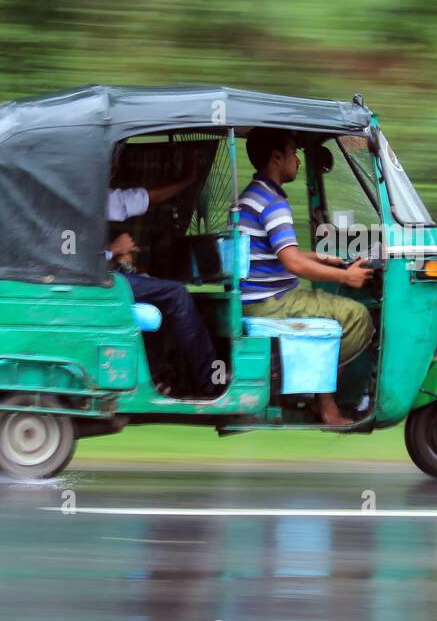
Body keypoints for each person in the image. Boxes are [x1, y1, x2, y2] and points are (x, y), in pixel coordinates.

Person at [238, 128, 373, 425]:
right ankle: (323, 402)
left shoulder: (253, 196)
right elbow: (291, 262)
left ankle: (319, 396)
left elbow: (283, 253)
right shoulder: (272, 202)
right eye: (293, 153)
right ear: (276, 158)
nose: (298, 161)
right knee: (357, 317)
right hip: (273, 302)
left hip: (259, 298)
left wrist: (323, 258)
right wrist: (346, 277)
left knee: (340, 311)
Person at [107, 165, 220, 397]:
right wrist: (113, 250)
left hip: (102, 277)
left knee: (153, 285)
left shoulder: (80, 196)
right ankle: (210, 383)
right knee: (177, 294)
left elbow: (134, 200)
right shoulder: (81, 199)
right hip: (94, 284)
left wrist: (116, 258)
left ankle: (155, 376)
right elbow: (71, 257)